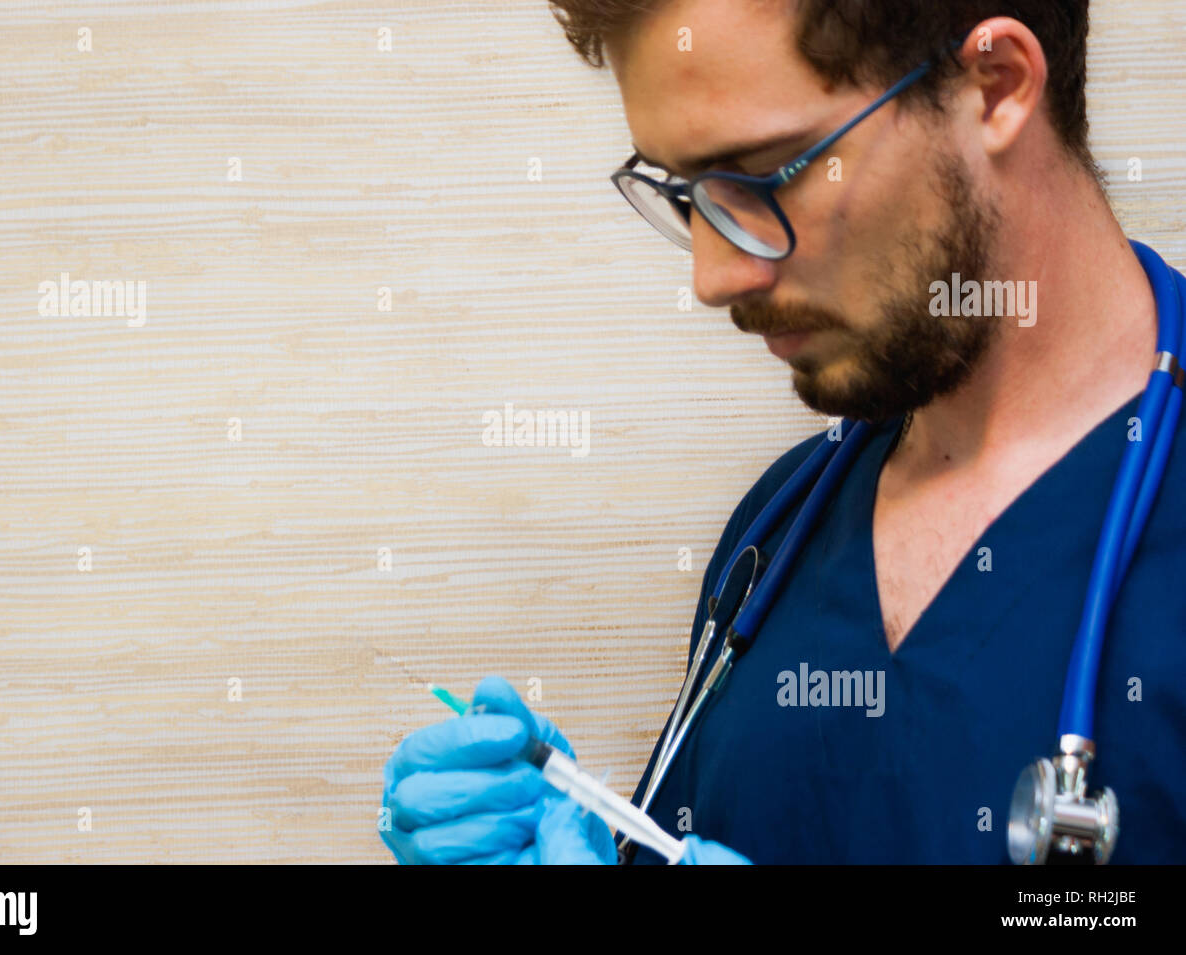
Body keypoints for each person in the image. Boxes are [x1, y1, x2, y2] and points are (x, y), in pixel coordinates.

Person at [379, 0, 1186, 863]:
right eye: (686, 194)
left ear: (994, 87)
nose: (713, 276)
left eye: (765, 176)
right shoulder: (777, 535)